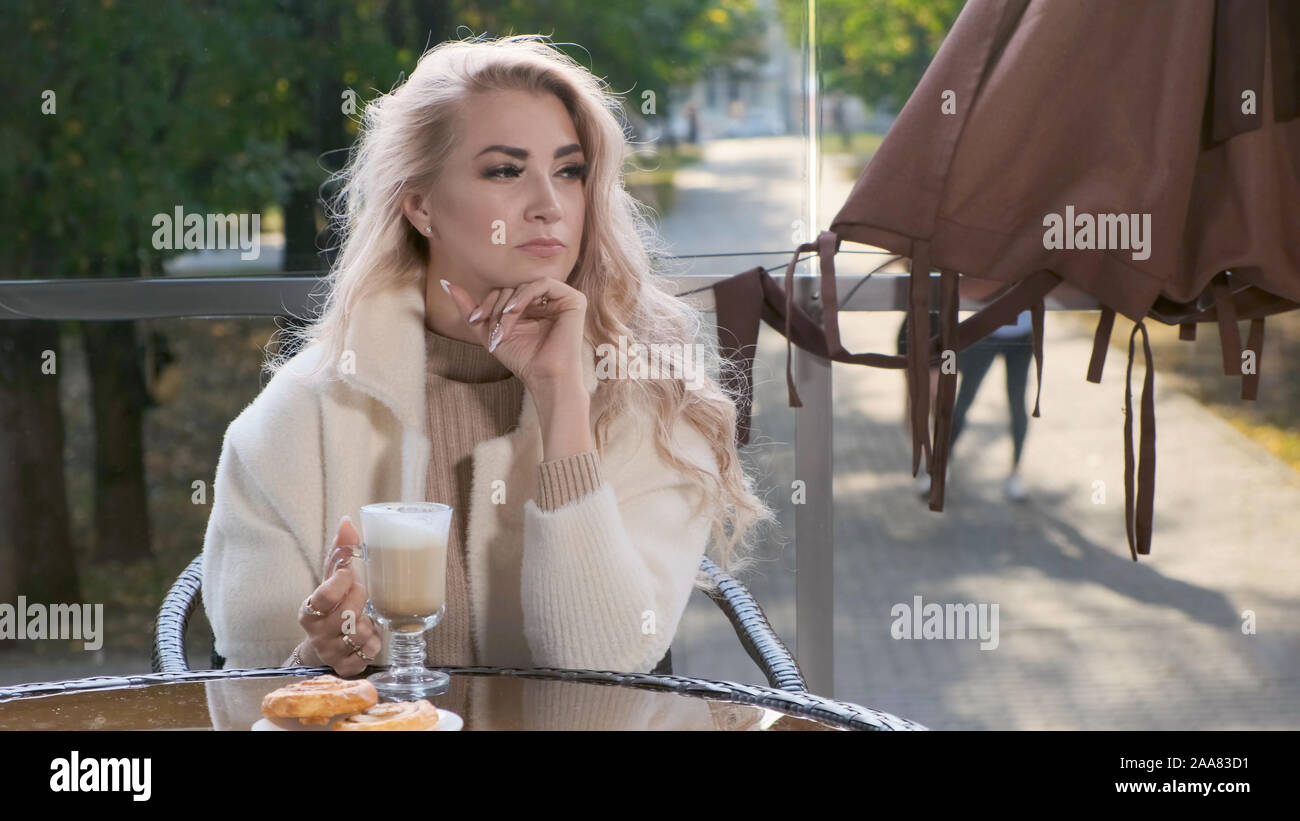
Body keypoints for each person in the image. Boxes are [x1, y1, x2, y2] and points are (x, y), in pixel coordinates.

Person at [200, 35, 776, 676]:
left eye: (569, 171)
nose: (549, 206)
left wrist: (562, 398)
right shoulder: (300, 415)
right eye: (505, 171)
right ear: (420, 206)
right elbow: (248, 688)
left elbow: (603, 665)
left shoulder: (652, 396)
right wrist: (317, 658)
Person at [947, 310, 1034, 501]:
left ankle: (1016, 472)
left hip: (1023, 334)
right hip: (984, 330)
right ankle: (942, 464)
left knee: (1017, 403)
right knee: (964, 398)